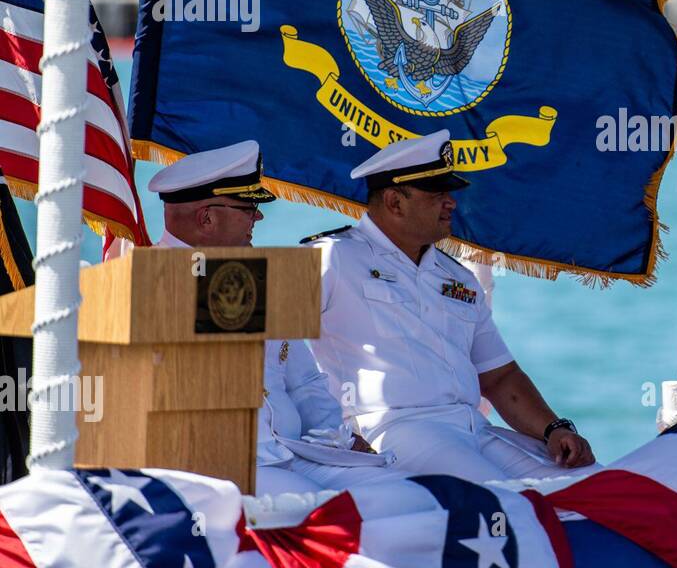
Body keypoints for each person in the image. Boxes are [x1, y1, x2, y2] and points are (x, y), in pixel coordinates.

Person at [306, 130, 596, 483]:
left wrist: (554, 429)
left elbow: (500, 376)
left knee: (594, 486)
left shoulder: (456, 275)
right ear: (395, 202)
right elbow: (274, 350)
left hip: (473, 428)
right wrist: (323, 428)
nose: (452, 203)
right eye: (437, 193)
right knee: (508, 501)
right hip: (395, 429)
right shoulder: (331, 257)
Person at [148, 140, 405, 495]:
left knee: (402, 491)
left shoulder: (261, 277)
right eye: (248, 206)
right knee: (336, 519)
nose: (258, 216)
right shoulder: (148, 287)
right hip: (221, 468)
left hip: (294, 452)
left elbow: (305, 382)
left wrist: (340, 439)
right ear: (207, 217)